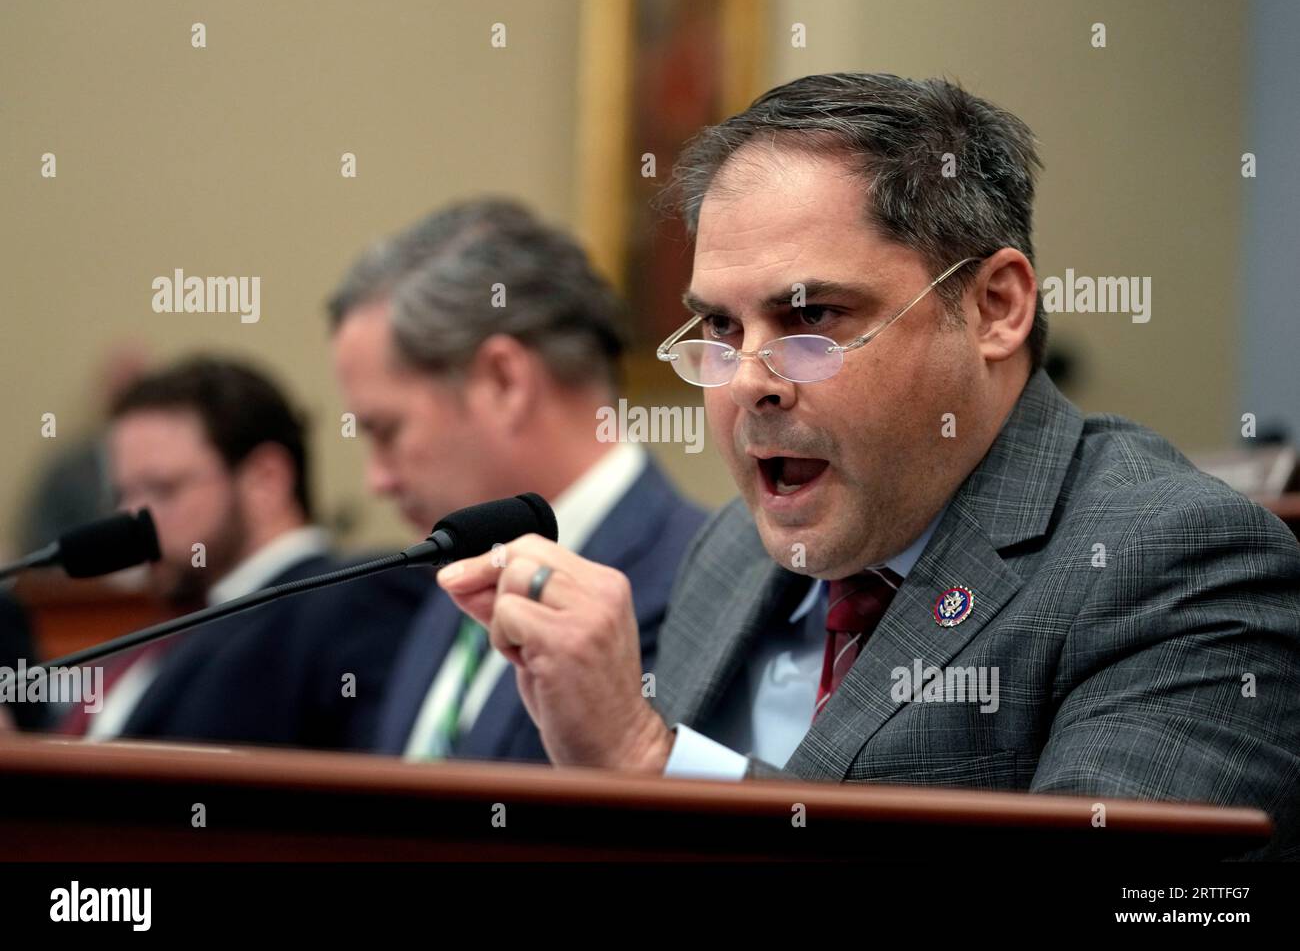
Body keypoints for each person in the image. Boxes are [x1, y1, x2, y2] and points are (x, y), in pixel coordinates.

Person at [430, 74, 1300, 859]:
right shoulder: (732, 551)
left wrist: (649, 764)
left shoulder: (1178, 561)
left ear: (995, 306)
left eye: (814, 319)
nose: (752, 384)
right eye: (721, 331)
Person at [329, 198, 706, 763]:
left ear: (504, 381)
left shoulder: (701, 586)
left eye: (386, 430)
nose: (376, 479)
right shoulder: (465, 562)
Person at [66, 356, 426, 748]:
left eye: (161, 489)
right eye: (123, 495)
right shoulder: (178, 622)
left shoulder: (352, 599)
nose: (131, 523)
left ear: (265, 480)